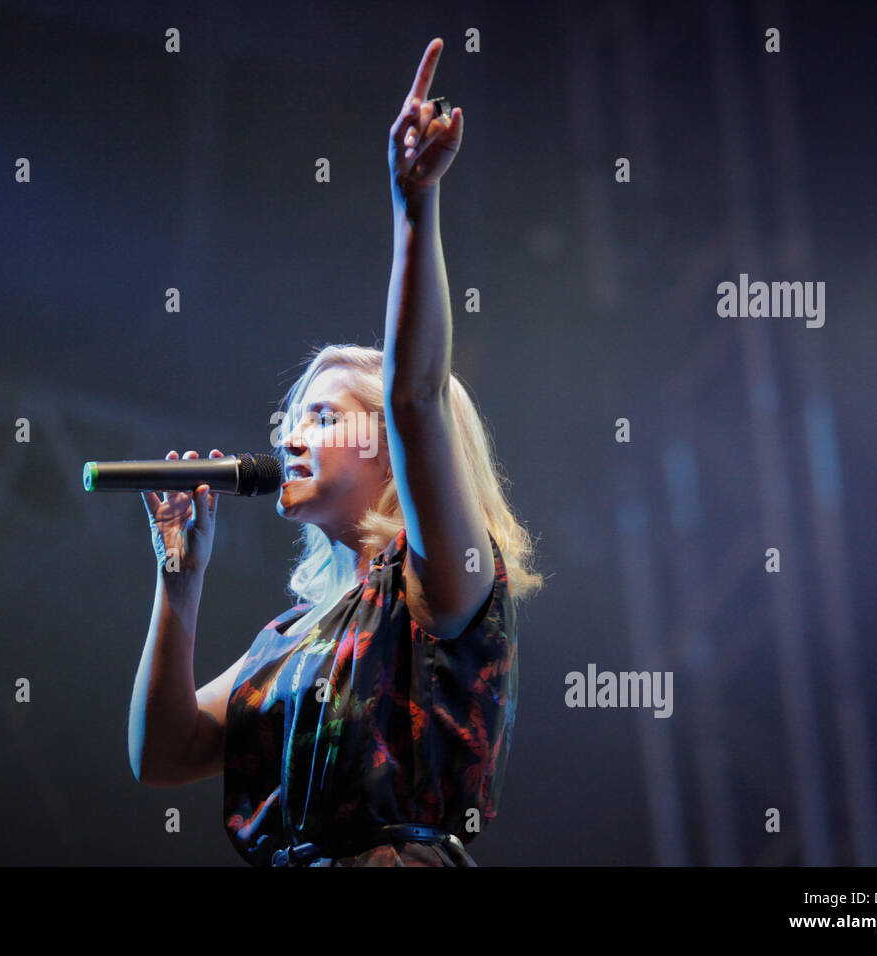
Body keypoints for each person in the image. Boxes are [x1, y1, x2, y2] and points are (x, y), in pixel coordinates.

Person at [129, 37, 543, 866]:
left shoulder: (442, 584)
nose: (288, 436)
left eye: (319, 416)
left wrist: (413, 205)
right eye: (289, 418)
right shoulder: (290, 637)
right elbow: (163, 754)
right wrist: (180, 585)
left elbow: (415, 395)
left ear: (388, 449)